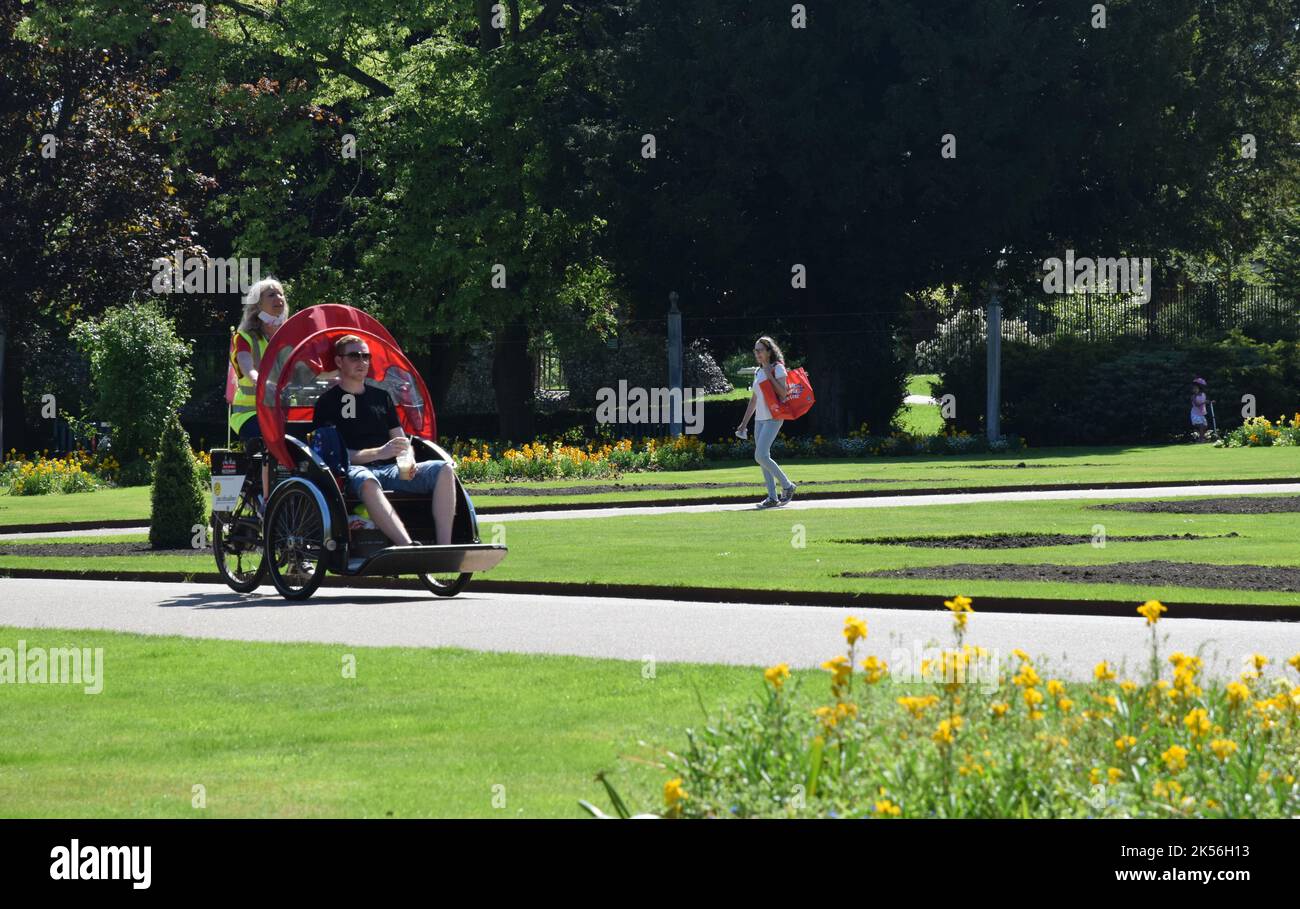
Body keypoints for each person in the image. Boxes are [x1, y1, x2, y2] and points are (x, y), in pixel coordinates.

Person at [312, 334, 458, 546]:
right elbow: (335, 457)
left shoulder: (382, 397)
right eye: (354, 356)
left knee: (443, 469)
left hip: (390, 469)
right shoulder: (327, 402)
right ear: (338, 361)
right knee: (369, 481)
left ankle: (445, 546)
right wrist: (380, 452)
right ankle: (407, 546)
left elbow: (401, 442)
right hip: (352, 472)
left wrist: (408, 460)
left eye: (365, 356)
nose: (362, 362)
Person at [228, 278, 289, 510]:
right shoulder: (245, 337)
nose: (278, 298)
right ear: (256, 305)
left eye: (281, 293)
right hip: (249, 414)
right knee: (270, 444)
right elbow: (247, 366)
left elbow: (308, 369)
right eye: (271, 295)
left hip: (280, 413)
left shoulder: (288, 338)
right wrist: (261, 382)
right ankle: (266, 500)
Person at [736, 335, 796, 507]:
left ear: (769, 351)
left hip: (774, 418)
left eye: (761, 350)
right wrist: (744, 423)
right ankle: (772, 497)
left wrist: (770, 375)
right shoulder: (757, 371)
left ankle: (787, 485)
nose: (758, 353)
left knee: (760, 455)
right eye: (756, 350)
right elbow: (754, 400)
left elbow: (783, 393)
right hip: (760, 420)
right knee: (763, 458)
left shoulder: (778, 368)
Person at [1190, 377, 1210, 442]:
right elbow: (1197, 404)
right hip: (1195, 414)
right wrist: (1204, 402)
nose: (1194, 390)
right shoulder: (1193, 396)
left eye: (1196, 388)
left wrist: (1210, 402)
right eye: (1193, 389)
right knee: (1201, 425)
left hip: (1202, 413)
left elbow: (1205, 401)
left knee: (1205, 426)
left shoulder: (1203, 394)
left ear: (1199, 388)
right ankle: (1201, 439)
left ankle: (1199, 437)